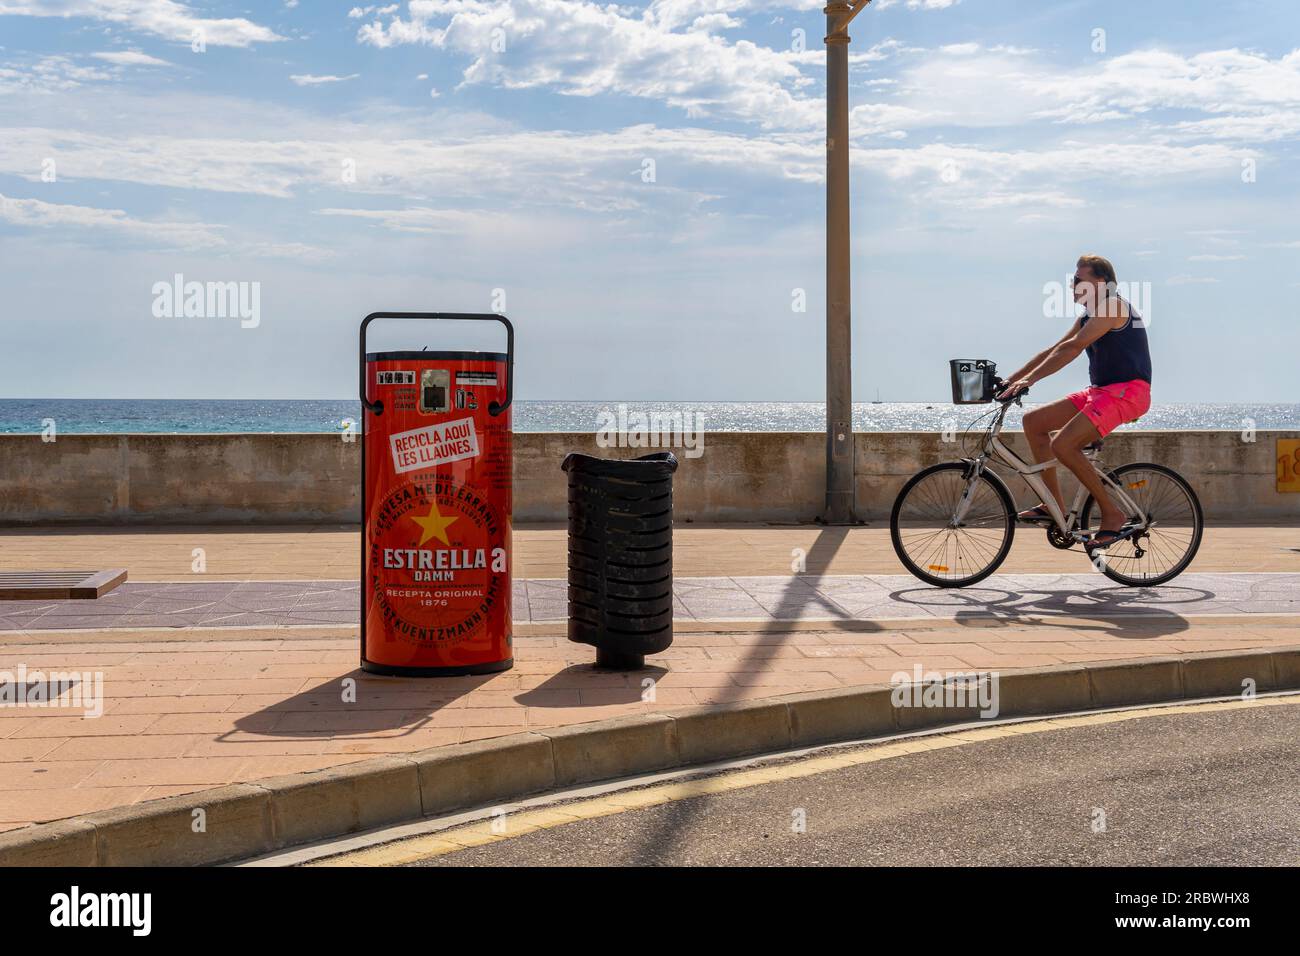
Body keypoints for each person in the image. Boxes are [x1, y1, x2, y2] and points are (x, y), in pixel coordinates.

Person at [996, 255, 1152, 553]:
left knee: (1063, 445)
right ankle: (1052, 505)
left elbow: (1073, 348)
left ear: (1101, 283)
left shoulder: (1113, 307)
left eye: (1079, 280)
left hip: (1127, 392)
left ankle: (1111, 512)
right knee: (1034, 422)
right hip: (1101, 391)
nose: (1072, 285)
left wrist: (1030, 381)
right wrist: (1010, 381)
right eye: (1072, 280)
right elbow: (1055, 348)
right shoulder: (1089, 315)